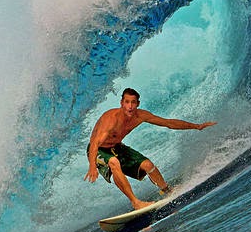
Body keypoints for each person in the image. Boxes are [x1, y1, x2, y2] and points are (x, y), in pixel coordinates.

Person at [84, 88, 216, 209]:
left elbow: (168, 123)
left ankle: (166, 190)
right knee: (114, 162)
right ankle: (136, 202)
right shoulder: (111, 120)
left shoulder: (141, 116)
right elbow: (95, 143)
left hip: (116, 147)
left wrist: (196, 126)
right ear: (121, 103)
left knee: (147, 165)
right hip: (97, 150)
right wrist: (92, 166)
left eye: (133, 103)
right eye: (127, 102)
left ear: (138, 104)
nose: (130, 106)